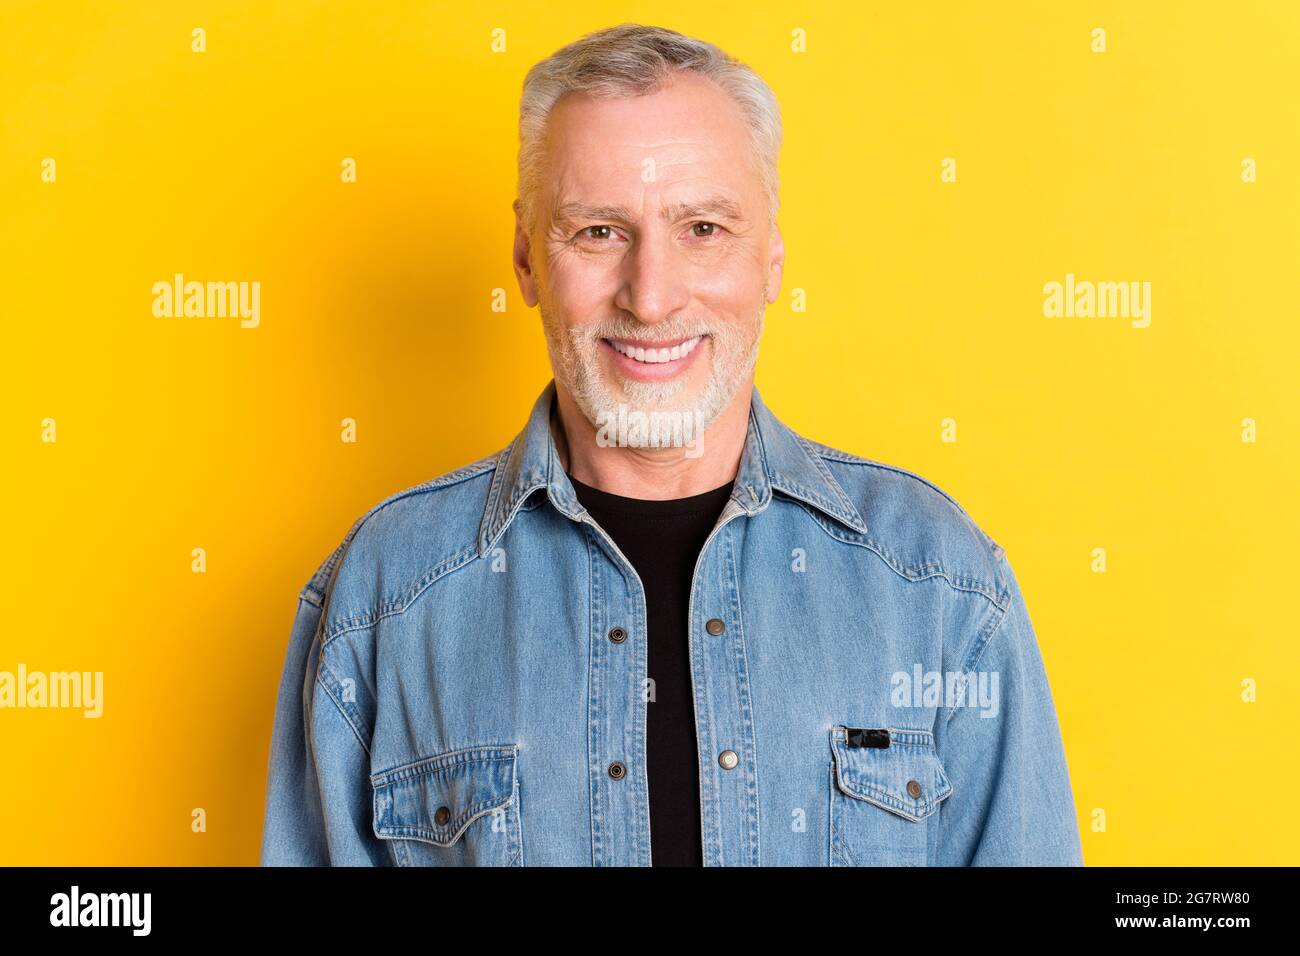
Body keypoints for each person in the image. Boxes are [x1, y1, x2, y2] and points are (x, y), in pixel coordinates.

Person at [260, 22, 1083, 866]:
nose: (650, 298)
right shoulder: (381, 598)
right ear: (525, 255)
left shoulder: (939, 584)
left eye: (702, 229)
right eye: (598, 231)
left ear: (770, 256)